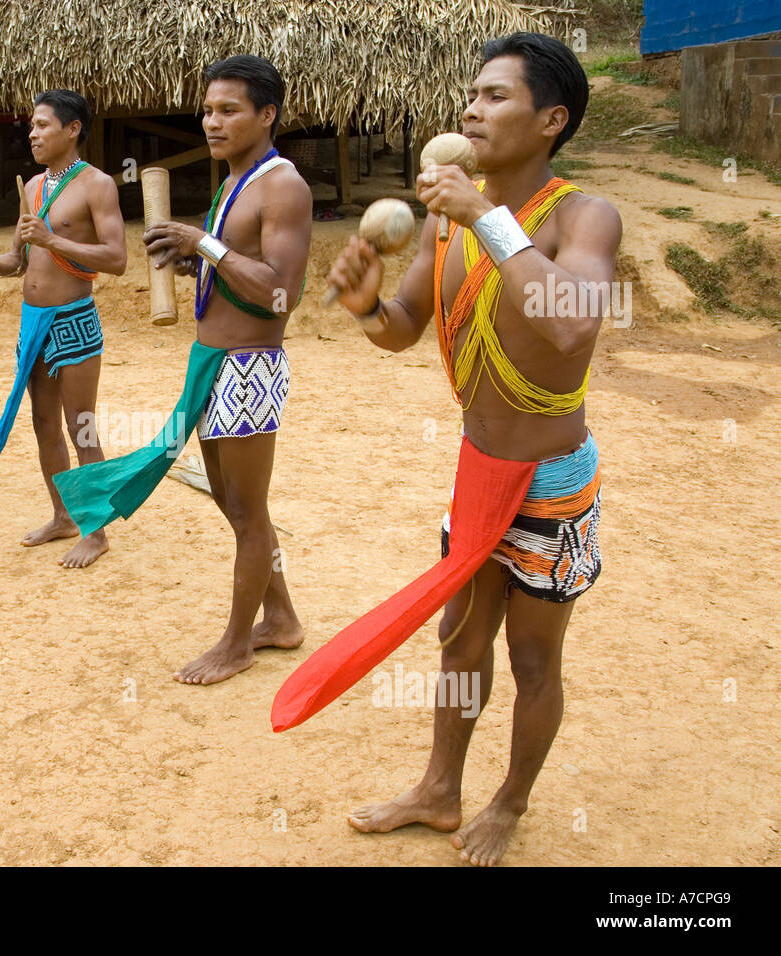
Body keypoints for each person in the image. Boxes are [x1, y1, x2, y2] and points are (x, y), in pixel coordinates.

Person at [322, 33, 618, 866]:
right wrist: (366, 308)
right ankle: (440, 789)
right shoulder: (447, 227)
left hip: (552, 479)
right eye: (471, 96)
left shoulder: (580, 215)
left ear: (551, 119)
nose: (471, 109)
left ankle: (511, 802)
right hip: (477, 471)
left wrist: (482, 215)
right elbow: (404, 331)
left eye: (496, 97)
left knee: (531, 655)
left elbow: (567, 326)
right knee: (459, 638)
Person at [52, 55, 310, 681]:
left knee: (247, 510)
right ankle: (280, 619)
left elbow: (282, 293)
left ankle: (238, 643)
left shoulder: (283, 187)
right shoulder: (233, 184)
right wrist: (199, 261)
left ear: (266, 114)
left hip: (247, 367)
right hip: (213, 362)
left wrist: (205, 245)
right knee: (231, 500)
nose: (211, 122)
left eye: (229, 110)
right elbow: (240, 276)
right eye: (207, 109)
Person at [0, 90, 126, 568]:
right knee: (43, 423)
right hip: (32, 323)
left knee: (82, 428)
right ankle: (63, 517)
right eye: (31, 127)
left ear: (72, 129)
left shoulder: (97, 185)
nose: (32, 135)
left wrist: (53, 239)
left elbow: (117, 258)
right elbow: (17, 261)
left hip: (74, 320)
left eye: (42, 125)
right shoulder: (32, 188)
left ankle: (96, 532)